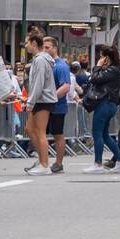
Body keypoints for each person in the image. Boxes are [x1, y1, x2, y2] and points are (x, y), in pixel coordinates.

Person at [21, 31, 57, 176]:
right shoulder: (39, 59)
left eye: (27, 43)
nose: (26, 46)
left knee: (40, 132)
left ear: (34, 43)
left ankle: (44, 164)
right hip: (40, 99)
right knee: (30, 129)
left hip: (43, 99)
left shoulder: (40, 60)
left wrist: (31, 101)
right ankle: (41, 160)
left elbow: (38, 82)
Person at [86, 45, 120, 173]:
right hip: (109, 105)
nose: (100, 58)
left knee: (97, 133)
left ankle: (98, 163)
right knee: (105, 135)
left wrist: (97, 66)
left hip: (104, 104)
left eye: (102, 56)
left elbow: (94, 79)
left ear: (107, 58)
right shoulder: (114, 70)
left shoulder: (112, 70)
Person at [41, 37, 71, 173]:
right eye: (44, 47)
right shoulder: (46, 64)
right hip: (46, 106)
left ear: (55, 48)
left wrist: (52, 97)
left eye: (48, 47)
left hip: (57, 107)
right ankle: (43, 161)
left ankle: (59, 163)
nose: (45, 50)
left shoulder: (61, 66)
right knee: (40, 133)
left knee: (57, 134)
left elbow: (66, 86)